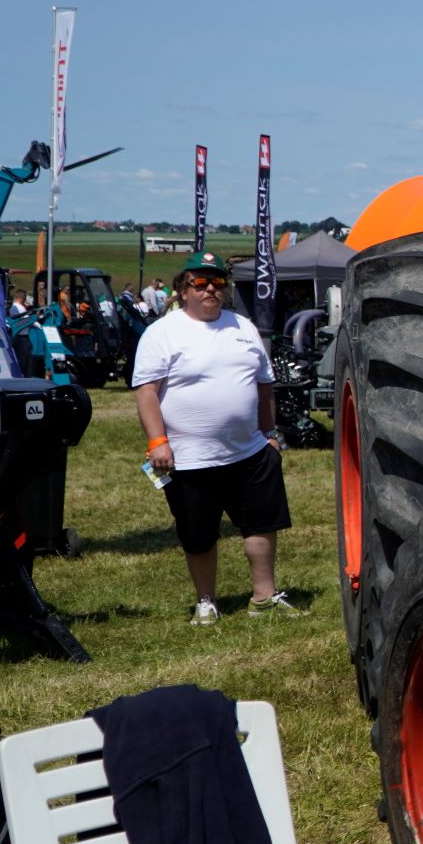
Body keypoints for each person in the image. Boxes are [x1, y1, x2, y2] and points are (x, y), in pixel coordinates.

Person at [133, 251, 303, 624]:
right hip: (189, 458)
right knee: (198, 533)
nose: (210, 289)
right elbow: (146, 392)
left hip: (251, 452)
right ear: (183, 290)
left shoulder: (242, 326)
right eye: (200, 282)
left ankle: (264, 597)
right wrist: (157, 442)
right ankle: (206, 601)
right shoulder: (162, 332)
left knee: (262, 524)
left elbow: (264, 384)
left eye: (217, 282)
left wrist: (269, 434)